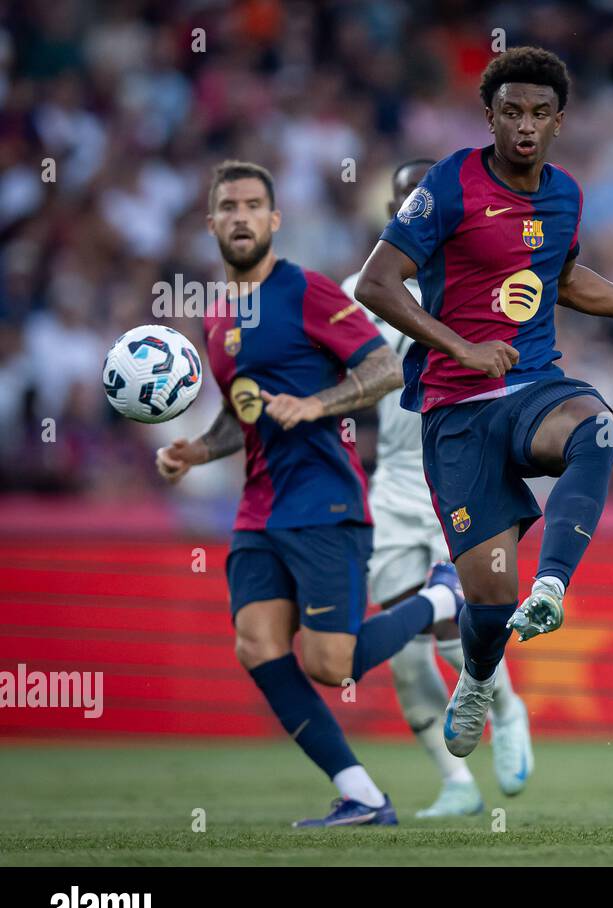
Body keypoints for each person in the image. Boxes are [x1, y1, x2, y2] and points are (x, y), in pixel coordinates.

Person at [353, 46, 613, 759]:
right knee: (487, 603)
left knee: (597, 430)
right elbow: (376, 283)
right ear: (490, 115)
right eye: (511, 110)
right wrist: (460, 347)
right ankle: (479, 679)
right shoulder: (450, 182)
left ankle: (554, 582)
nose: (525, 125)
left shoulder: (565, 195)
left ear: (559, 121)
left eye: (540, 113)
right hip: (458, 410)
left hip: (536, 387)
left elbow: (564, 280)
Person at [156, 160, 450, 827]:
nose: (240, 217)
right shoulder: (218, 316)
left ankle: (440, 595)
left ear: (274, 219)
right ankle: (363, 796)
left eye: (253, 205)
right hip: (259, 506)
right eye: (227, 206)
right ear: (211, 223)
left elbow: (381, 369)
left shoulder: (311, 292)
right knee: (256, 644)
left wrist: (317, 404)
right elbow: (242, 412)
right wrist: (196, 450)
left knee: (330, 664)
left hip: (325, 499)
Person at [340, 158, 534, 817]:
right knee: (403, 643)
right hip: (395, 482)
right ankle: (456, 784)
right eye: (400, 203)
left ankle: (505, 707)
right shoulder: (359, 289)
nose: (410, 213)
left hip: (459, 469)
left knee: (455, 613)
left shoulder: (484, 283)